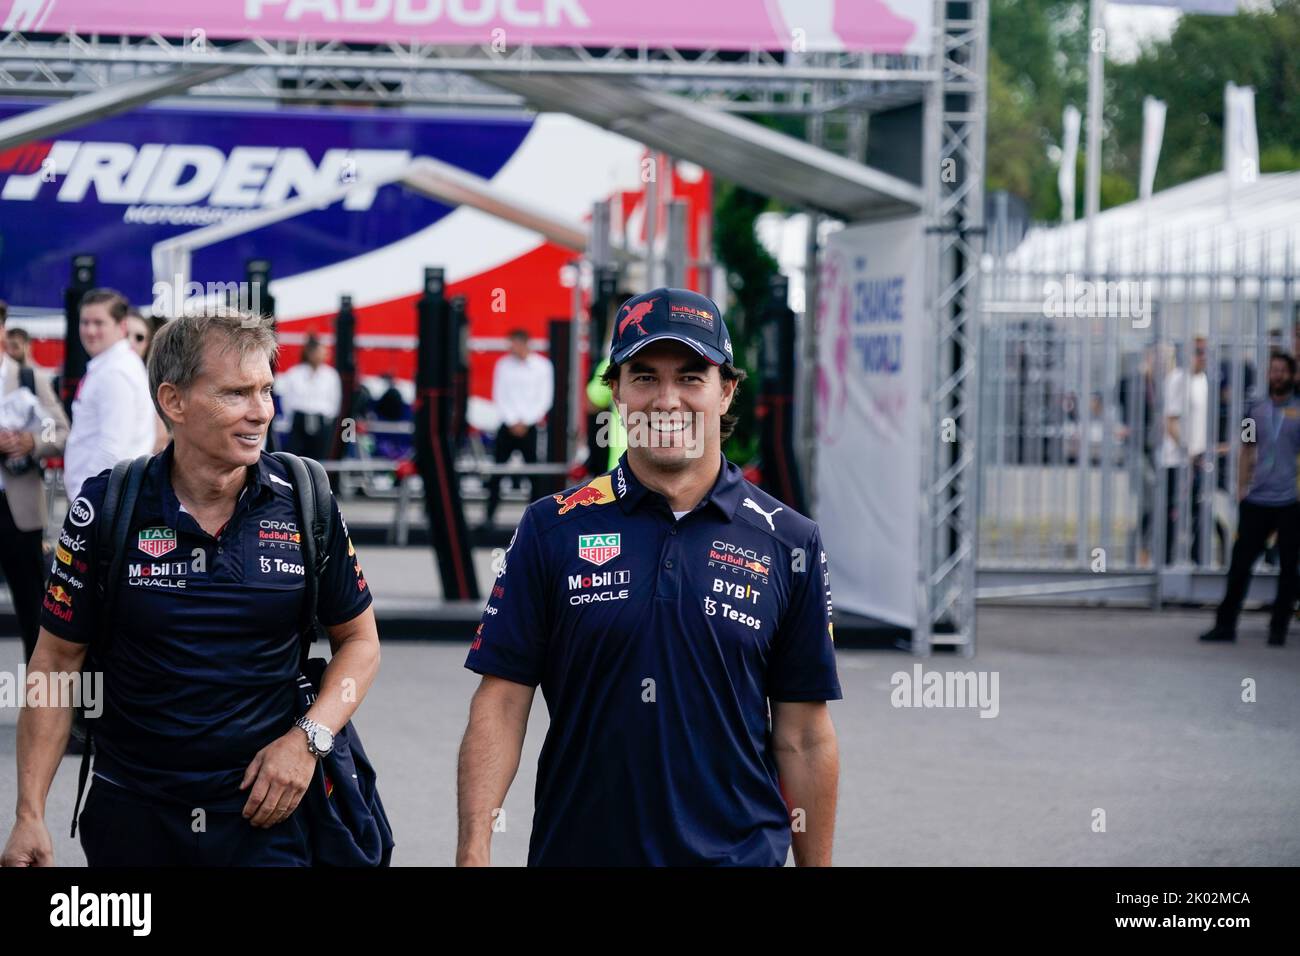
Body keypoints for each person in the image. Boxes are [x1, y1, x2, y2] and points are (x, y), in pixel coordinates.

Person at [457, 288, 841, 867]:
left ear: (726, 389)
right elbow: (503, 701)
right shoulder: (550, 527)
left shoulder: (790, 541)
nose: (667, 400)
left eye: (690, 377)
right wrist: (474, 850)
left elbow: (805, 736)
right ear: (615, 390)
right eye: (643, 377)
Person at [0, 308, 380, 866]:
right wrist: (29, 813)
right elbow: (56, 663)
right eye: (236, 394)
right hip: (134, 816)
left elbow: (361, 643)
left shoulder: (305, 498)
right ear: (174, 401)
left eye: (266, 390)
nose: (261, 413)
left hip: (266, 817)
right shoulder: (107, 507)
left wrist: (308, 740)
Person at [1200, 352, 1300, 647]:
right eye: (1273, 371)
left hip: (1290, 501)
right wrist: (1241, 487)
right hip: (1257, 499)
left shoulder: (1298, 411)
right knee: (1240, 564)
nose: (1277, 375)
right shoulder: (1255, 411)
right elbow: (1246, 449)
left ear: (1291, 375)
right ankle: (1225, 624)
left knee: (1289, 568)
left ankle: (1278, 628)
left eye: (1283, 371)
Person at [0, 302, 69, 663]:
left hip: (19, 508)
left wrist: (30, 441)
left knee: (31, 608)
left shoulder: (29, 379)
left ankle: (38, 701)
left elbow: (58, 431)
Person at [62, 289, 155, 502]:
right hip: (103, 497)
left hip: (100, 501)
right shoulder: (113, 365)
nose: (90, 330)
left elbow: (113, 449)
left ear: (121, 327)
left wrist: (85, 499)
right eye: (84, 322)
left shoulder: (115, 372)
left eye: (98, 323)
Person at [485, 329, 552, 524]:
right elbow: (499, 394)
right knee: (497, 473)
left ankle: (538, 518)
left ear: (524, 343)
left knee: (534, 475)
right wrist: (512, 420)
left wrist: (526, 420)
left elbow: (544, 398)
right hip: (507, 425)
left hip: (529, 426)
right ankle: (489, 516)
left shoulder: (542, 366)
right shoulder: (503, 365)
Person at [1159, 338, 1209, 565]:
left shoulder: (1203, 380)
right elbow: (1170, 422)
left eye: (1206, 352)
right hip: (1177, 462)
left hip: (1197, 460)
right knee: (1173, 519)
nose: (1203, 356)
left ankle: (1196, 567)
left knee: (1198, 515)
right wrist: (1187, 449)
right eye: (1198, 352)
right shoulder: (1178, 379)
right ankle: (1167, 568)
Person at [275, 336, 341, 461]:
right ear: (308, 353)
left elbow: (335, 402)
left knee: (319, 459)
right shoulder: (294, 373)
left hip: (321, 421)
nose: (321, 355)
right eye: (317, 351)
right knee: (295, 458)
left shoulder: (330, 375)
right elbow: (287, 401)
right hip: (299, 419)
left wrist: (326, 421)